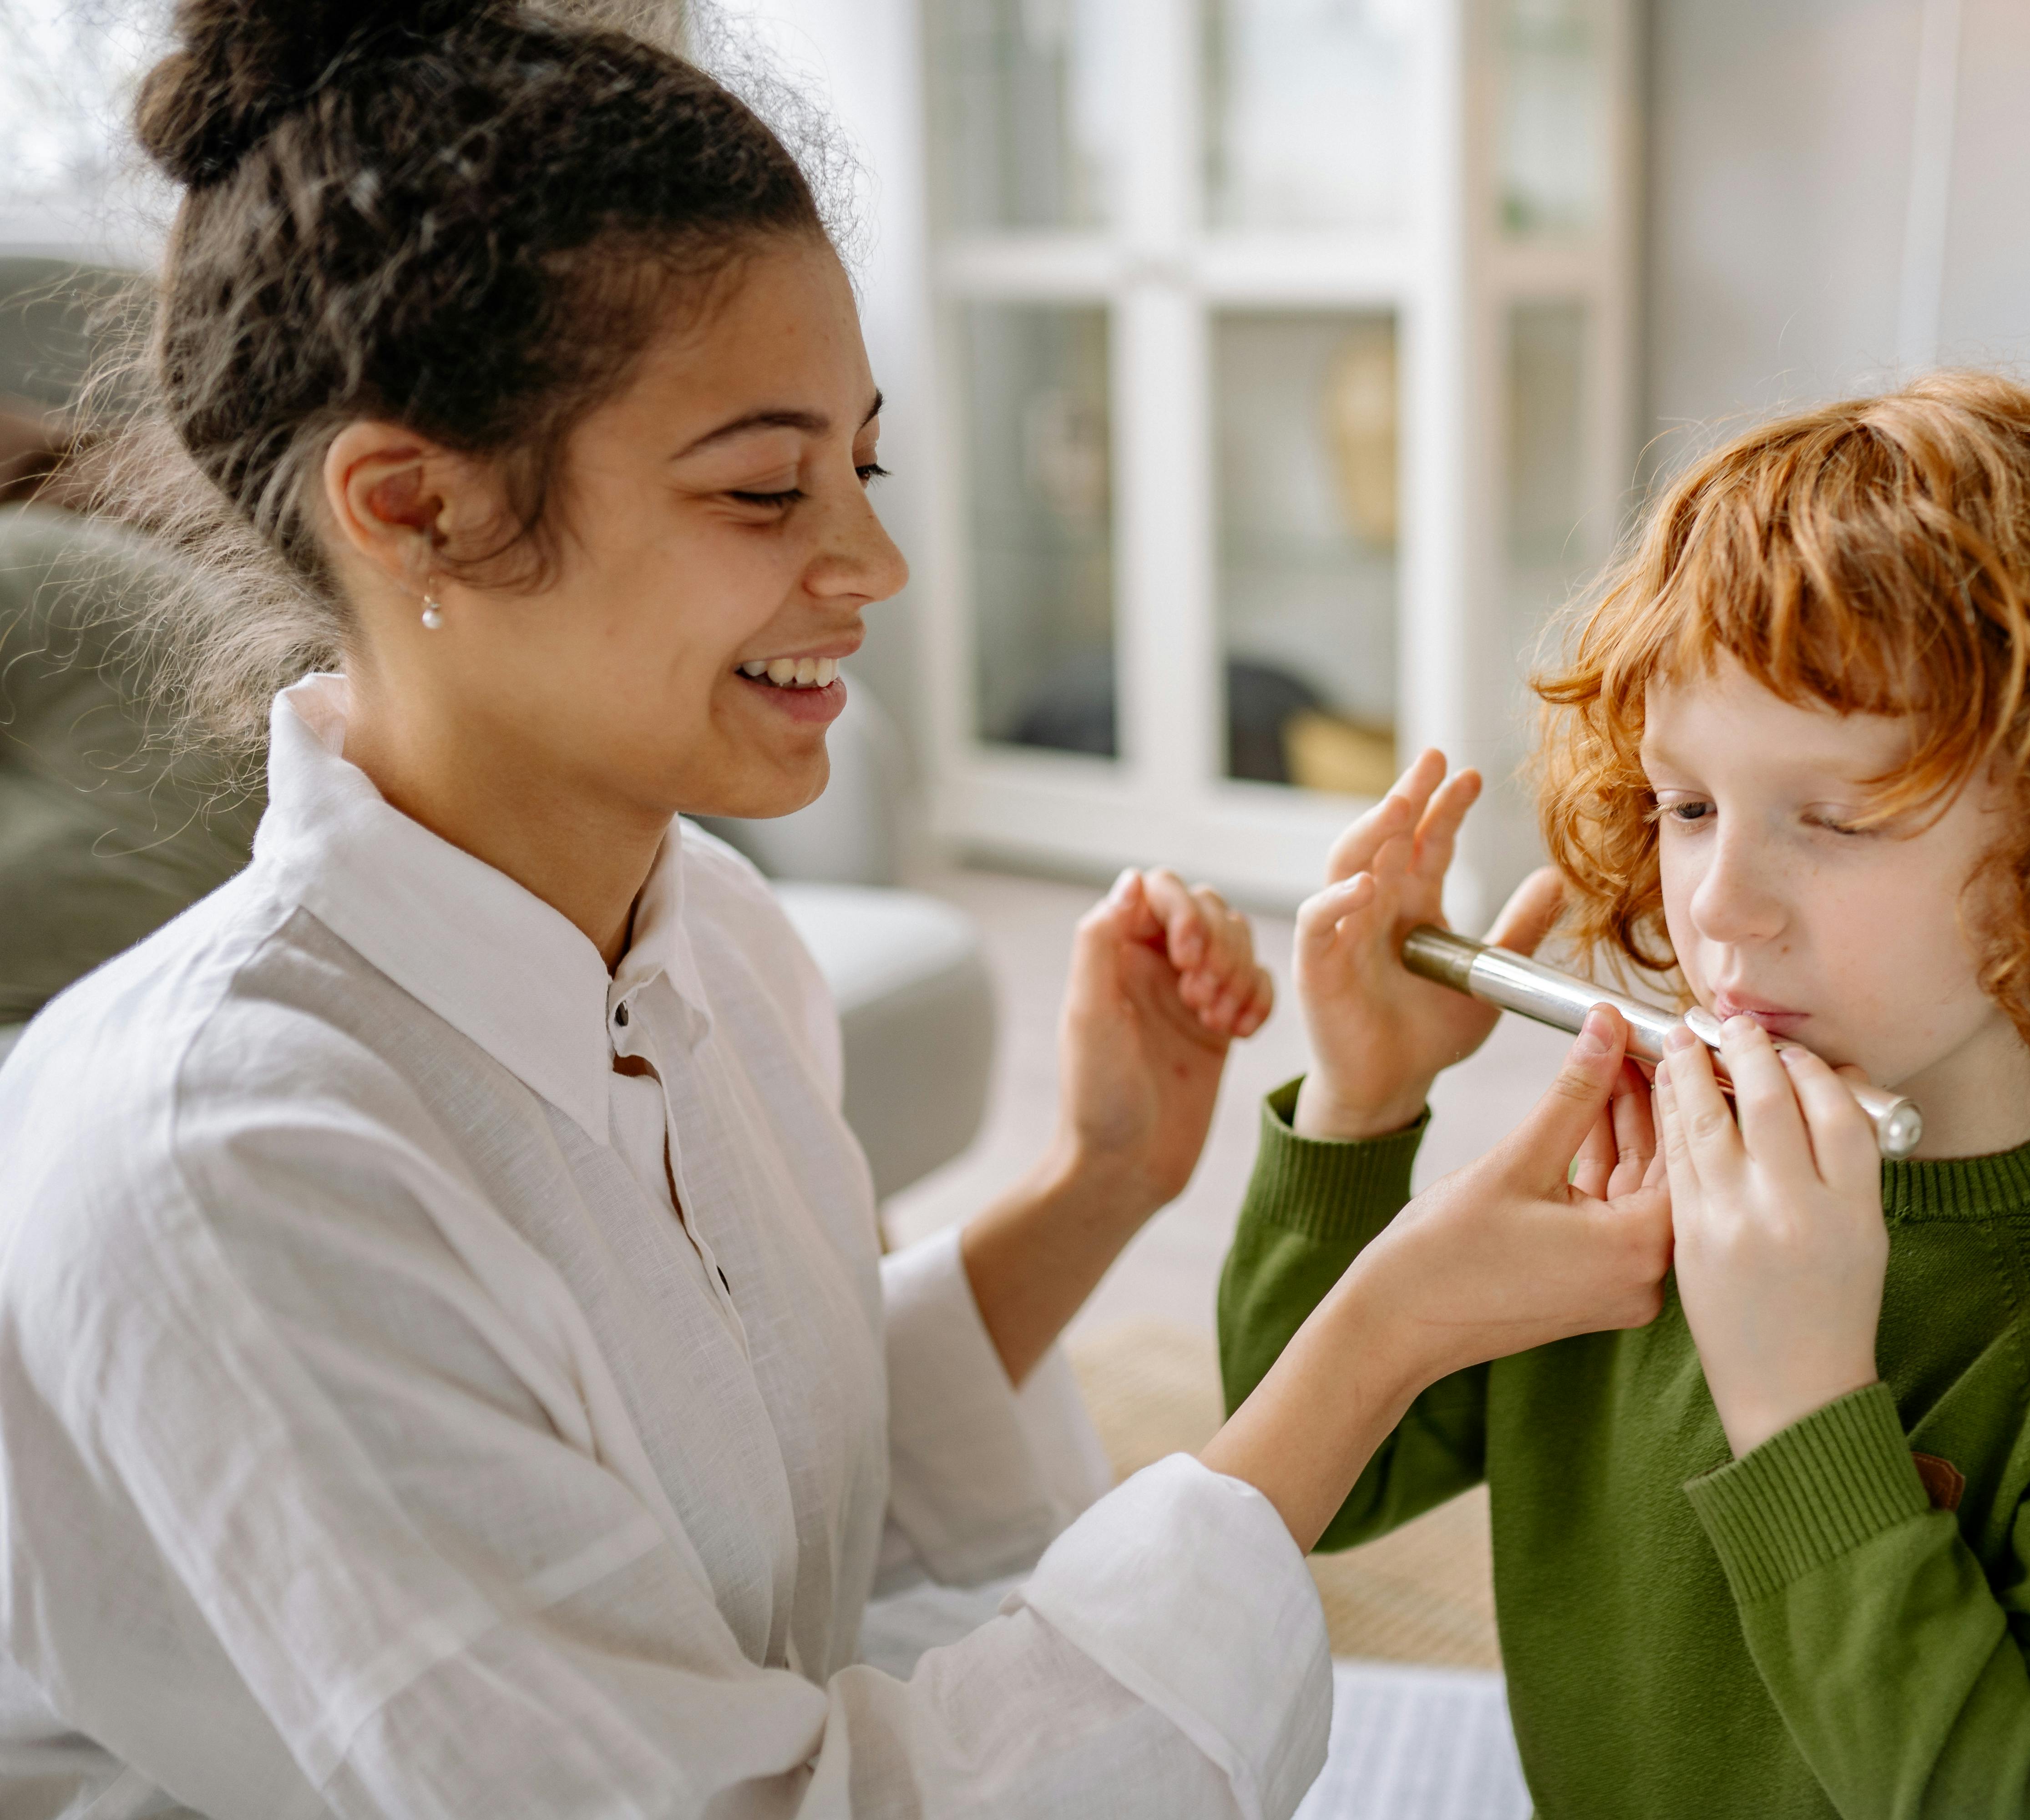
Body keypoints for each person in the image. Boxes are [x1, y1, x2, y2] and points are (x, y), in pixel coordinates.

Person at [0, 3, 1674, 1814]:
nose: (871, 563)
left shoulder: (709, 933)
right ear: (415, 511)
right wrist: (1382, 1332)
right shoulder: (226, 1170)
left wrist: (1101, 1178)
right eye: (762, 486)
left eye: (859, 467)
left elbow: (742, 1466)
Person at [1219, 374, 2030, 1817]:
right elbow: (1324, 1485)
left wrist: (1799, 1398)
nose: (1721, 906)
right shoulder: (1636, 1169)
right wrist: (1363, 1103)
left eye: (1833, 819)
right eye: (1687, 805)